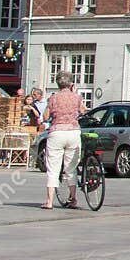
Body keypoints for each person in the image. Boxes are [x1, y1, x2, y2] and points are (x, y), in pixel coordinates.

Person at [40, 73, 86, 210]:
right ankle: (73, 199)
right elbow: (83, 111)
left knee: (53, 168)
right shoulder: (77, 97)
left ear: (57, 84)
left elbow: (46, 116)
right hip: (73, 132)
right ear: (71, 83)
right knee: (71, 168)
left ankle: (49, 201)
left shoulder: (53, 98)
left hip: (57, 132)